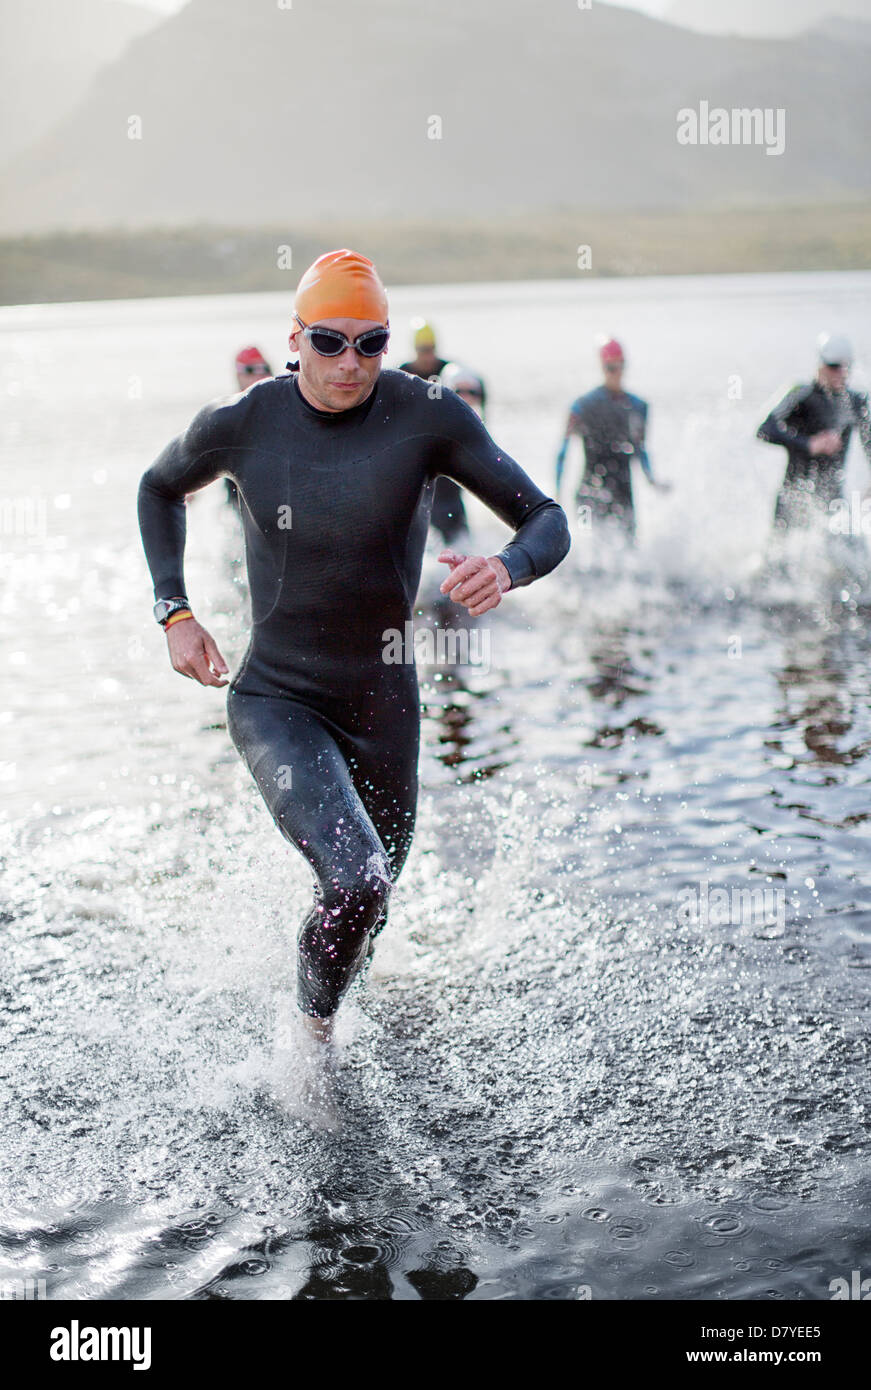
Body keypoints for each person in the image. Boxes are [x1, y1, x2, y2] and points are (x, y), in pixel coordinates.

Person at [137, 249, 570, 1051]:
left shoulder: (429, 415)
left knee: (369, 904)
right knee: (357, 878)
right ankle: (308, 1049)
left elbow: (545, 517)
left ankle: (322, 1006)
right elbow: (159, 487)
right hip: (276, 698)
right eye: (331, 342)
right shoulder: (241, 422)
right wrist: (176, 614)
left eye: (371, 344)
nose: (351, 363)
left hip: (384, 701)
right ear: (294, 339)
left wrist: (505, 569)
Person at [555, 338, 668, 539]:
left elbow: (641, 449)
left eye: (620, 366)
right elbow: (563, 451)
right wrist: (557, 493)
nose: (616, 372)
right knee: (586, 545)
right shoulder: (581, 406)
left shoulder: (638, 407)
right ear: (602, 367)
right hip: (590, 489)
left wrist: (652, 481)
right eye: (610, 367)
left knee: (628, 551)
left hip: (623, 492)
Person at [757, 332, 871, 531]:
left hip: (832, 498)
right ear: (820, 365)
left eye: (846, 367)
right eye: (834, 367)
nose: (841, 373)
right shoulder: (800, 395)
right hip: (793, 494)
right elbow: (764, 430)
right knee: (781, 560)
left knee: (849, 558)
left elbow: (869, 445)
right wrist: (809, 444)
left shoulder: (856, 402)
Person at [400, 323, 470, 546]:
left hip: (449, 449)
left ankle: (465, 545)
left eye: (430, 349)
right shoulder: (403, 373)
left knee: (452, 503)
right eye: (422, 350)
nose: (427, 355)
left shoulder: (449, 370)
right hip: (419, 453)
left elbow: (475, 402)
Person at [225, 348, 273, 506]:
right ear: (238, 375)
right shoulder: (227, 416)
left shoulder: (283, 408)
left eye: (264, 369)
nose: (259, 375)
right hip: (237, 497)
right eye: (251, 370)